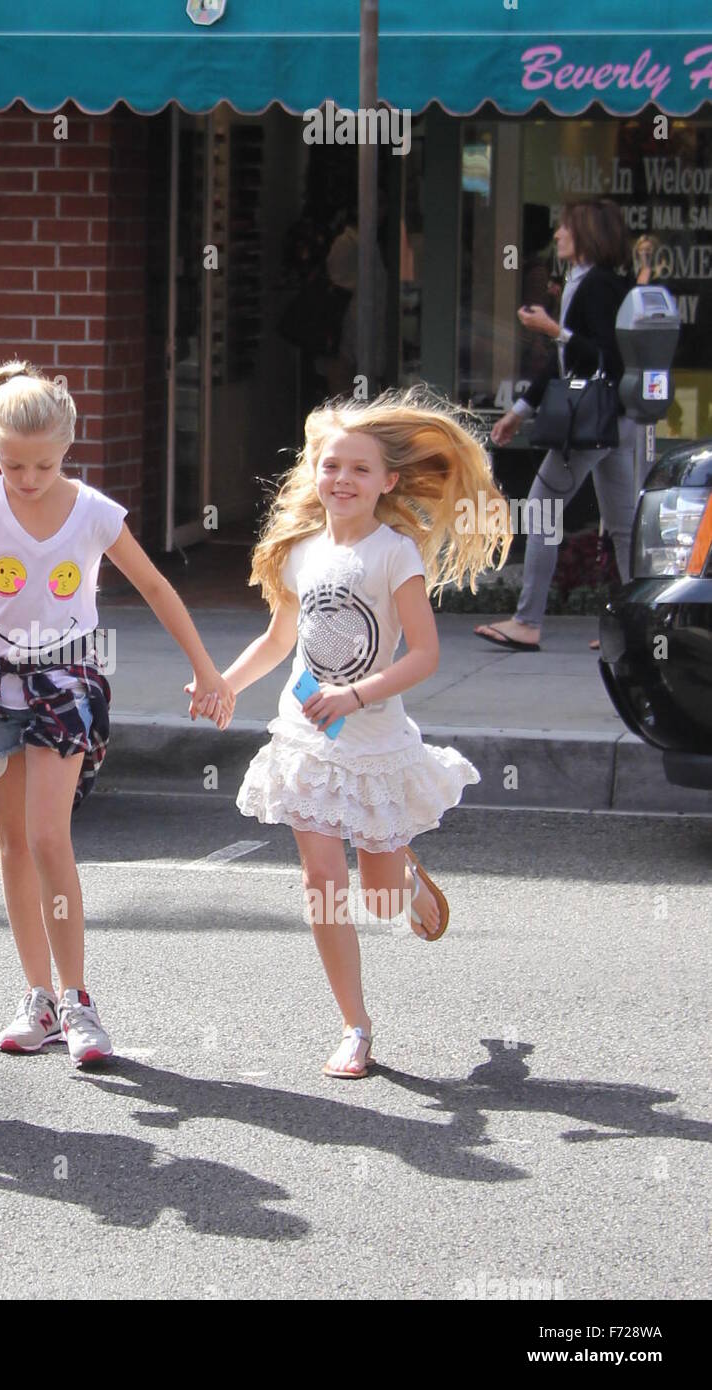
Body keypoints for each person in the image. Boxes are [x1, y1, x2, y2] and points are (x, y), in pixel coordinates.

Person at [0, 361, 234, 1067]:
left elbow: (155, 586)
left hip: (64, 681)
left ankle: (78, 998)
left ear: (68, 447)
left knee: (47, 837)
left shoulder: (93, 512)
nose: (28, 478)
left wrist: (206, 668)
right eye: (13, 464)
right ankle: (37, 998)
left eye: (45, 464)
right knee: (12, 844)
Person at [213, 387, 512, 1080]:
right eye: (331, 465)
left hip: (374, 739)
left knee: (377, 897)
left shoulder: (394, 553)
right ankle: (355, 1026)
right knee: (321, 882)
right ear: (314, 472)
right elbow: (279, 639)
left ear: (388, 482)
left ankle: (402, 875)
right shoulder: (299, 551)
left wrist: (355, 693)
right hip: (307, 737)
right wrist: (226, 684)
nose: (342, 479)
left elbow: (424, 655)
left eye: (359, 469)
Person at [477, 198, 636, 653]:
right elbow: (565, 362)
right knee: (623, 526)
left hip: (592, 422)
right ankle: (634, 628)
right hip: (613, 420)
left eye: (565, 227)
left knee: (542, 509)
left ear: (585, 234)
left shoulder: (595, 285)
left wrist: (554, 330)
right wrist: (519, 411)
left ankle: (527, 621)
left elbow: (605, 357)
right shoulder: (589, 283)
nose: (557, 234)